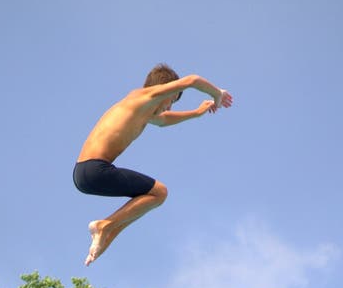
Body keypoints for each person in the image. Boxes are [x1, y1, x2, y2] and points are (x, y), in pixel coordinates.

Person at [73, 63, 233, 266]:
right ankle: (104, 226)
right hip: (95, 169)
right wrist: (217, 93)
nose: (169, 107)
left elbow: (164, 120)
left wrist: (196, 112)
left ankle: (105, 238)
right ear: (163, 89)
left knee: (144, 201)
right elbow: (192, 80)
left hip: (85, 174)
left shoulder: (144, 111)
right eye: (172, 100)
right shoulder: (140, 97)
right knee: (160, 192)